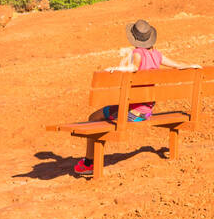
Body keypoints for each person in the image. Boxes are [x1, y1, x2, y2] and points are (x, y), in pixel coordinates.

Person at [74, 20, 200, 175]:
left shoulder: (137, 53)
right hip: (146, 112)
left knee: (94, 117)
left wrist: (117, 68)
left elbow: (134, 67)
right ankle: (92, 160)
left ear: (134, 39)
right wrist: (192, 65)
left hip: (133, 113)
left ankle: (89, 163)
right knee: (106, 116)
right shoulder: (158, 56)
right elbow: (178, 65)